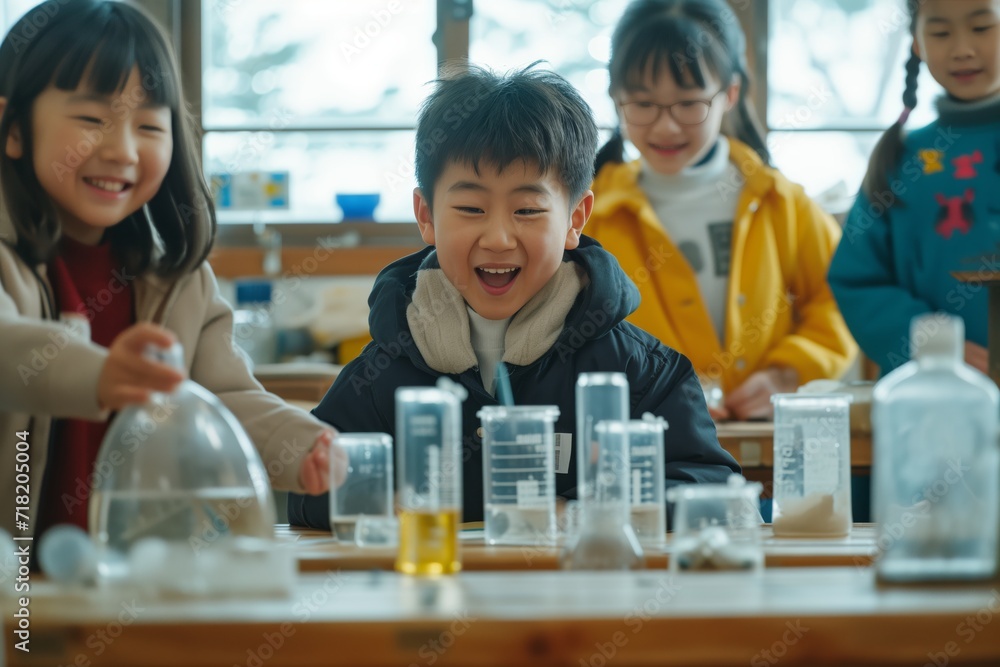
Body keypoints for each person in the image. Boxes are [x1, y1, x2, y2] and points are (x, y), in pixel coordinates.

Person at [288, 65, 740, 528]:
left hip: (583, 599)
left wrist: (592, 513)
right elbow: (307, 494)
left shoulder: (639, 372)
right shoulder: (382, 371)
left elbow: (716, 493)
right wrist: (382, 502)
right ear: (426, 216)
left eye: (527, 209)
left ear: (575, 218)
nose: (499, 237)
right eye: (470, 208)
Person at [0, 0, 345, 541]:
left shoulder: (178, 278)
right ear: (12, 128)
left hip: (132, 587)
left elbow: (223, 399)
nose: (123, 150)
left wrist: (301, 444)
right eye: (92, 119)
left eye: (148, 126)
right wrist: (100, 375)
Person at [586, 0, 857, 421]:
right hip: (646, 447)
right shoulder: (591, 215)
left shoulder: (780, 203)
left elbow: (839, 296)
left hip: (762, 443)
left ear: (730, 93)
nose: (665, 127)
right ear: (614, 96)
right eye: (641, 104)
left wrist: (787, 374)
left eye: (689, 103)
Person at [829, 0, 1000, 377]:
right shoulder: (902, 157)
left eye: (982, 27)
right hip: (938, 399)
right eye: (940, 32)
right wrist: (935, 346)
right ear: (917, 44)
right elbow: (855, 277)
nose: (962, 49)